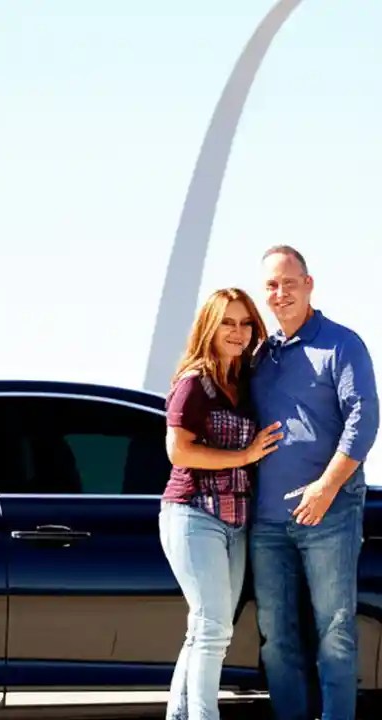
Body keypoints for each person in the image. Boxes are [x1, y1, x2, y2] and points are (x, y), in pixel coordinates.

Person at [248, 245, 380, 720]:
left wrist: (325, 487)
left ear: (308, 284)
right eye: (270, 285)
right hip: (265, 522)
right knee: (277, 637)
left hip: (330, 512)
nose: (279, 293)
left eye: (288, 282)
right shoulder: (260, 355)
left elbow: (363, 421)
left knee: (335, 633)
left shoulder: (343, 344)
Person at [158, 287, 285, 720]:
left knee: (206, 629)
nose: (237, 331)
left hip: (237, 519)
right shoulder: (195, 383)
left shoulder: (244, 383)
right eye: (227, 322)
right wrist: (244, 456)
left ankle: (180, 715)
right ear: (209, 327)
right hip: (193, 514)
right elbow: (180, 452)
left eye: (245, 322)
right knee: (213, 626)